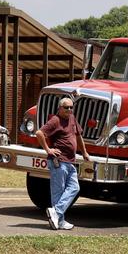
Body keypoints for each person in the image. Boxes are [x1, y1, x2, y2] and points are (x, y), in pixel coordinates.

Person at [35, 96, 91, 231]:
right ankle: (59, 220)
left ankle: (57, 214)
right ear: (60, 108)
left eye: (71, 107)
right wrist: (48, 150)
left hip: (70, 161)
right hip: (58, 161)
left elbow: (78, 135)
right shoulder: (55, 120)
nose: (69, 110)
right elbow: (39, 133)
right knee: (58, 192)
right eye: (66, 107)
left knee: (74, 188)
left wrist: (84, 152)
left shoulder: (72, 118)